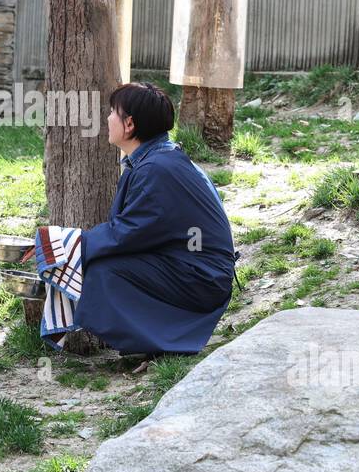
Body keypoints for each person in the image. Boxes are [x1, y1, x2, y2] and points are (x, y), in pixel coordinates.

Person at [49, 82, 238, 355]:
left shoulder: (156, 168)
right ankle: (156, 341)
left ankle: (162, 344)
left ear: (129, 125)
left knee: (101, 271)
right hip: (194, 266)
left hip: (202, 277)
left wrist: (69, 243)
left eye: (113, 112)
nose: (107, 118)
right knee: (98, 260)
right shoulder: (157, 159)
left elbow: (131, 231)